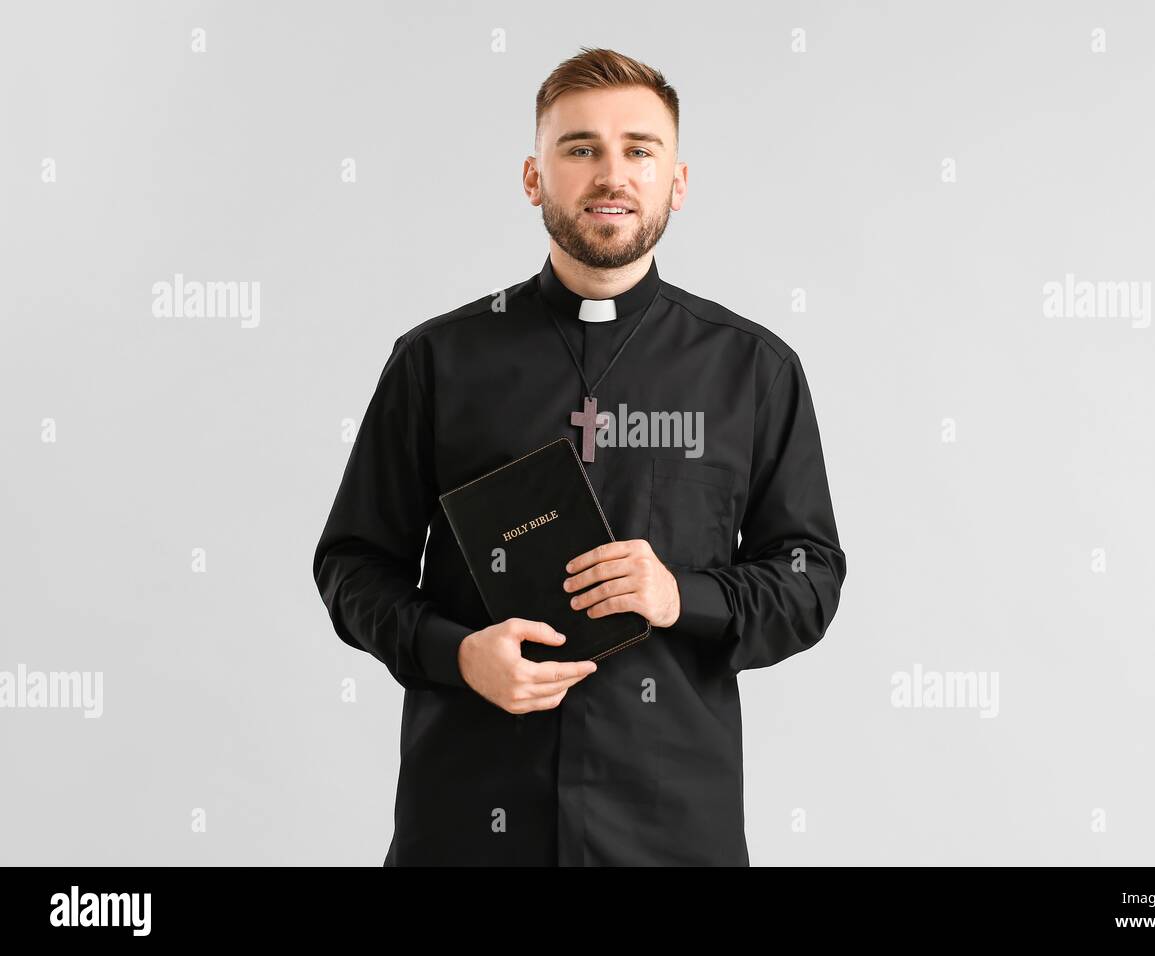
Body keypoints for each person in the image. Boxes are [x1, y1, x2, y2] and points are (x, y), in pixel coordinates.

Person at [312, 47, 847, 865]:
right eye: (580, 149)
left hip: (670, 832)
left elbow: (811, 580)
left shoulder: (752, 370)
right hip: (466, 823)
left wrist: (682, 596)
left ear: (678, 181)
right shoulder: (437, 361)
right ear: (534, 178)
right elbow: (353, 564)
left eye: (639, 149)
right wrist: (454, 654)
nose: (612, 174)